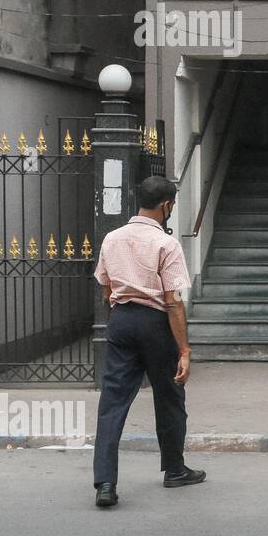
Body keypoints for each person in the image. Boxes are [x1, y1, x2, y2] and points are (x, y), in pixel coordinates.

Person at [91, 175, 204, 509]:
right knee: (169, 395)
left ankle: (106, 483)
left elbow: (105, 287)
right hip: (155, 323)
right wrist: (183, 349)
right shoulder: (166, 244)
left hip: (122, 319)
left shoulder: (112, 238)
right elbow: (173, 301)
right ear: (166, 205)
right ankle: (174, 470)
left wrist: (120, 315)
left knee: (112, 401)